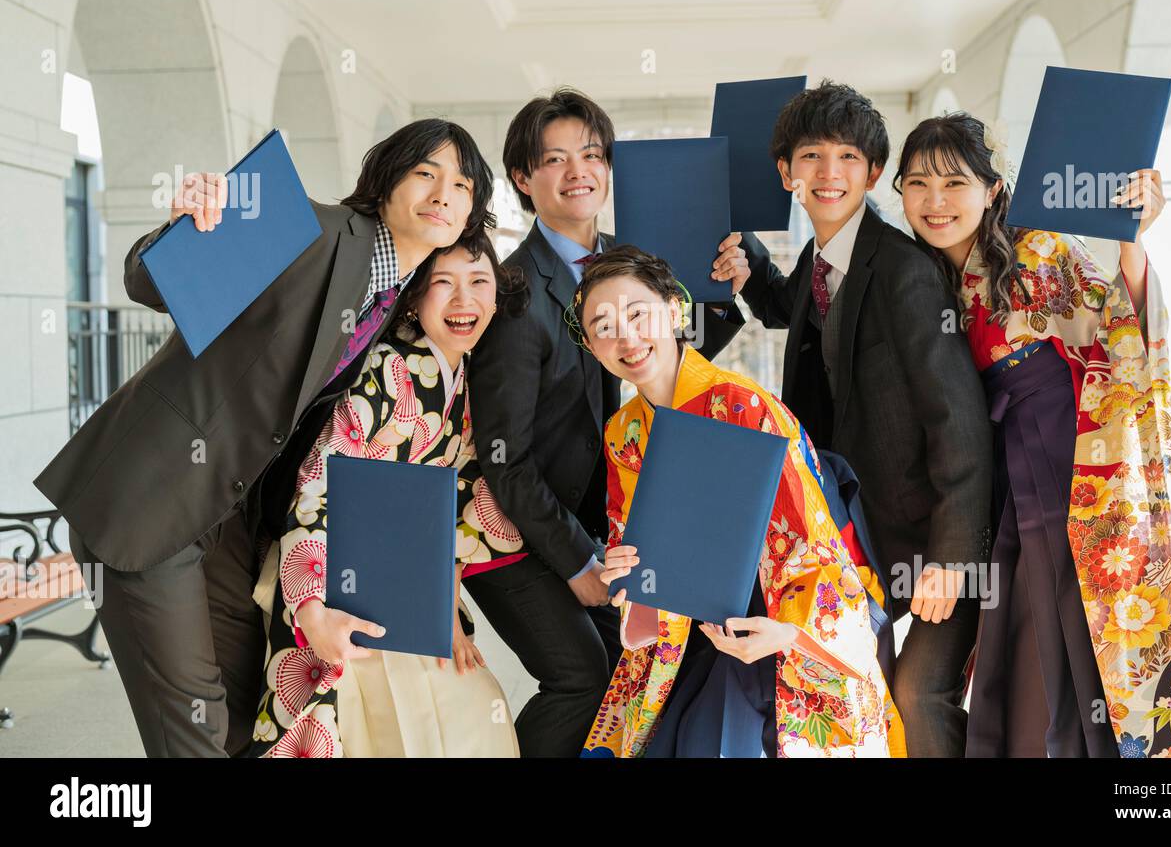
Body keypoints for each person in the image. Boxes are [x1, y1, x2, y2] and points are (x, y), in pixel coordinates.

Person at [34, 118, 494, 756]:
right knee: (192, 732)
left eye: (463, 184)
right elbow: (148, 280)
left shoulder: (400, 300)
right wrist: (189, 223)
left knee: (251, 712)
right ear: (386, 180)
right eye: (426, 173)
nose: (444, 192)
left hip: (232, 522)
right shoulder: (309, 228)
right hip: (151, 498)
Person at [896, 110, 1171, 758]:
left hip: (1092, 473)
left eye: (955, 182)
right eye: (918, 183)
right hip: (1011, 491)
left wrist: (1132, 242)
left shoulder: (1038, 252)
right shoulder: (921, 281)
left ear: (993, 189)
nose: (936, 201)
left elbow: (1122, 324)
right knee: (1036, 677)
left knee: (1113, 654)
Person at [465, 88, 751, 756]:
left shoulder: (629, 258)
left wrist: (726, 289)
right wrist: (575, 562)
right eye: (555, 159)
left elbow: (670, 352)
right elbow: (504, 457)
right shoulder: (511, 294)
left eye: (591, 155)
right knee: (585, 680)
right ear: (520, 179)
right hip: (517, 530)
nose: (578, 172)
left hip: (608, 521)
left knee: (639, 674)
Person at [738, 81, 992, 756]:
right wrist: (751, 267)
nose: (830, 174)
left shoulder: (903, 270)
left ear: (874, 173)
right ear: (786, 172)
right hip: (854, 538)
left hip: (928, 537)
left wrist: (952, 558)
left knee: (919, 693)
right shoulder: (820, 261)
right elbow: (798, 310)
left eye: (849, 157)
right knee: (855, 688)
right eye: (812, 156)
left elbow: (957, 417)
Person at [574, 245, 905, 757]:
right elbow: (636, 556)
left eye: (638, 314)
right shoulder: (623, 433)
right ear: (592, 347)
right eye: (604, 326)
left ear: (673, 310)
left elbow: (812, 540)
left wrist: (786, 634)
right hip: (685, 632)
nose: (627, 337)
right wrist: (626, 578)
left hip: (774, 615)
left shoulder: (743, 406)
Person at [248, 231, 526, 757]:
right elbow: (316, 482)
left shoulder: (466, 374)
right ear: (416, 296)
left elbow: (459, 501)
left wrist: (445, 617)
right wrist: (312, 614)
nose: (463, 300)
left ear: (497, 295)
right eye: (443, 283)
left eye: (479, 282)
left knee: (467, 709)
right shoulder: (384, 368)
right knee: (361, 727)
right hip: (331, 573)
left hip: (411, 587)